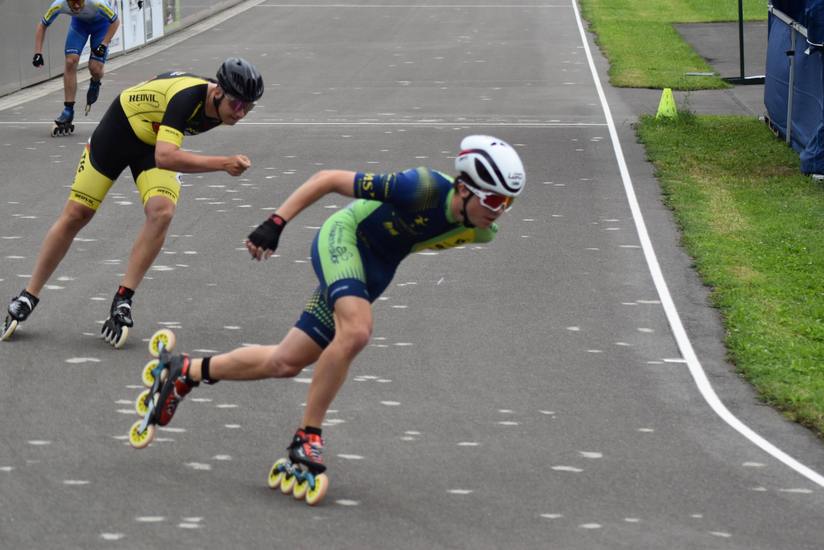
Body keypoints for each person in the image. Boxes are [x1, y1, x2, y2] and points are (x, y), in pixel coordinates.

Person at [135, 135, 525, 486]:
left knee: (286, 362)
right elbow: (329, 179)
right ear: (463, 188)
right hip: (344, 238)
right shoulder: (420, 186)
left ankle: (186, 372)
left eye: (508, 203)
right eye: (493, 200)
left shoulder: (482, 231)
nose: (499, 211)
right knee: (356, 331)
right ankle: (308, 435)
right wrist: (275, 223)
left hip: (375, 270)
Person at [1, 58, 264, 347]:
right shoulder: (188, 98)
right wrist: (223, 163)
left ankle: (123, 300)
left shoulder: (219, 103)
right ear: (219, 92)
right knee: (78, 213)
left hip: (153, 142)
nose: (241, 113)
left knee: (162, 212)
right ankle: (28, 295)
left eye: (248, 107)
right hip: (120, 130)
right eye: (237, 104)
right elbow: (166, 157)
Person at [33, 0, 122, 134]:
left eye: (79, 1)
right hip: (79, 26)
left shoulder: (96, 3)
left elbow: (115, 21)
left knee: (95, 69)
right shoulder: (59, 4)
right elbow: (42, 25)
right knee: (70, 61)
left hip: (102, 26)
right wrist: (38, 52)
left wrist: (104, 44)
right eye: (72, 2)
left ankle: (95, 81)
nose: (76, 6)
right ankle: (68, 110)